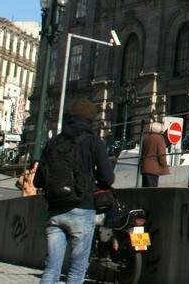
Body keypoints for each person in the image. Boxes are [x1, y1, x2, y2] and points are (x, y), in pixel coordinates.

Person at [34, 98, 114, 284]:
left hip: (55, 210)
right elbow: (108, 178)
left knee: (51, 269)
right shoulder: (94, 142)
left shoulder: (53, 142)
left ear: (70, 118)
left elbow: (38, 179)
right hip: (82, 208)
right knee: (77, 271)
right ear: (90, 120)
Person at [140, 121, 170, 187]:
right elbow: (161, 154)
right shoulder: (159, 139)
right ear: (159, 129)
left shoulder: (146, 138)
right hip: (153, 169)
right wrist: (165, 165)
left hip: (145, 168)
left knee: (144, 190)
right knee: (152, 191)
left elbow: (142, 152)